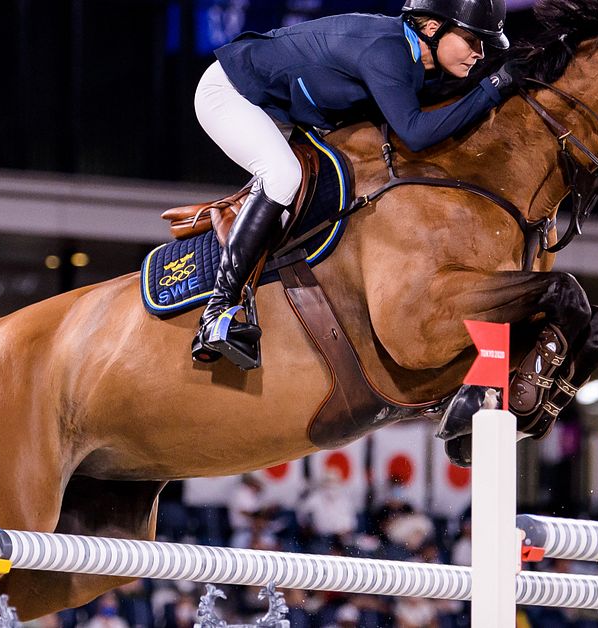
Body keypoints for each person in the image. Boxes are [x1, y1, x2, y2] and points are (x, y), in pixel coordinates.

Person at [191, 0, 518, 366]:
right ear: (431, 29)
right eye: (473, 40)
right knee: (284, 176)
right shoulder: (387, 50)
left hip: (280, 110)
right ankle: (216, 314)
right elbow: (416, 134)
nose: (480, 53)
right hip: (231, 93)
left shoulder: (412, 57)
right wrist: (494, 86)